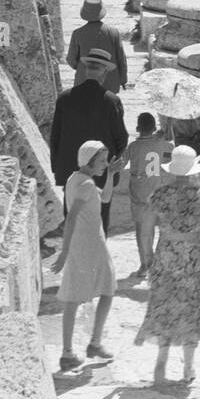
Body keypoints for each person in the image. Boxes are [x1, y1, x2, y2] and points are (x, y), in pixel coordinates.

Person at [134, 145, 200, 386]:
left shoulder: (159, 195)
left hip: (166, 254)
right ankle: (188, 366)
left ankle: (162, 359)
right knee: (193, 307)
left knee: (165, 303)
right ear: (194, 170)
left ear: (172, 170)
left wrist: (147, 257)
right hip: (193, 258)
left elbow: (146, 232)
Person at [51, 141, 117, 371]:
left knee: (75, 297)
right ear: (89, 161)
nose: (105, 164)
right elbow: (70, 217)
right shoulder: (86, 185)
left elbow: (106, 198)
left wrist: (111, 173)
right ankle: (92, 344)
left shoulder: (75, 179)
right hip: (89, 245)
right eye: (102, 161)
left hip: (86, 244)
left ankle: (71, 351)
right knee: (106, 289)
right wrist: (64, 252)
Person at [49, 48, 127, 236]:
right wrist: (112, 168)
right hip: (100, 170)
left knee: (72, 217)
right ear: (105, 72)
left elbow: (55, 137)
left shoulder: (64, 98)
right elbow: (121, 138)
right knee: (100, 218)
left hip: (70, 170)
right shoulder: (111, 101)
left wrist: (56, 168)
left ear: (85, 70)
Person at [122, 112, 172, 278]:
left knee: (142, 231)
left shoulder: (133, 147)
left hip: (138, 194)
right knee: (158, 228)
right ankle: (157, 262)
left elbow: (120, 164)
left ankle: (145, 264)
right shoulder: (160, 142)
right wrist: (168, 125)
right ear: (154, 128)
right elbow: (170, 144)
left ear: (137, 128)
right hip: (157, 191)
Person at [67, 0, 128, 94]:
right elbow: (121, 58)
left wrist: (83, 67)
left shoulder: (77, 33)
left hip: (84, 80)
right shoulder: (113, 32)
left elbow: (71, 60)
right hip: (109, 82)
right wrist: (123, 79)